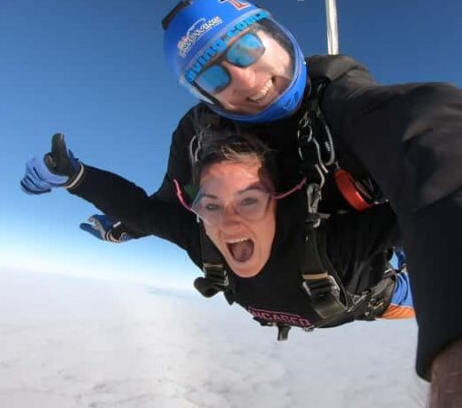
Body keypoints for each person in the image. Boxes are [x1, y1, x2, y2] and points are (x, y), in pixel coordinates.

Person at [22, 0, 462, 404]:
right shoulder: (199, 144)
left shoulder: (356, 107)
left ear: (277, 36)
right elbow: (172, 207)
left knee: (405, 243)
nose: (245, 77)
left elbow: (438, 147)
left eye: (247, 48)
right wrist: (103, 204)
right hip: (311, 274)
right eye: (214, 73)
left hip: (370, 283)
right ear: (201, 95)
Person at [26, 131, 415, 336]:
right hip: (337, 300)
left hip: (383, 296)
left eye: (248, 202)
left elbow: (445, 205)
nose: (228, 224)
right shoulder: (207, 244)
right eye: (211, 206)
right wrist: (76, 177)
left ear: (277, 202)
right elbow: (143, 213)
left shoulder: (338, 245)